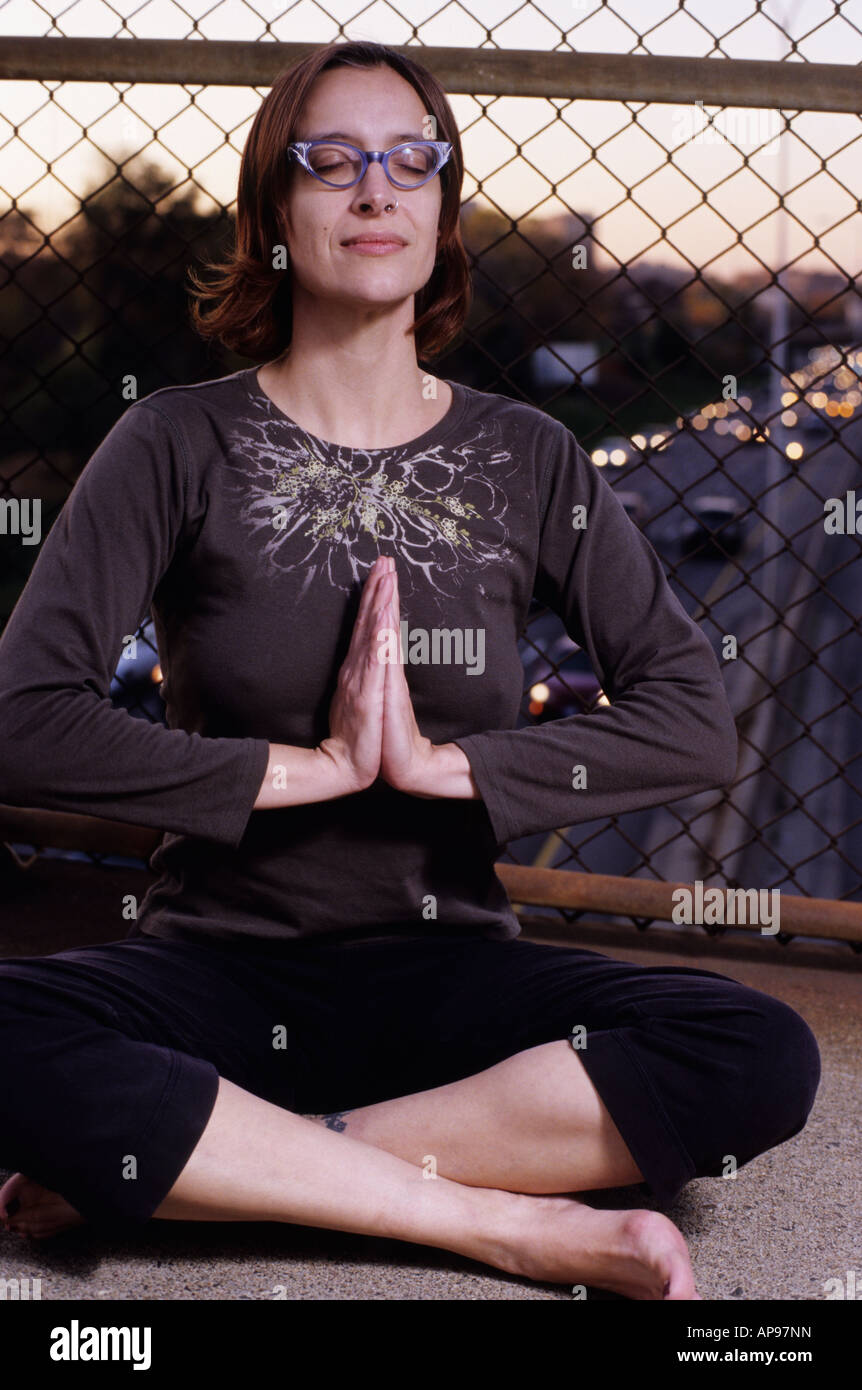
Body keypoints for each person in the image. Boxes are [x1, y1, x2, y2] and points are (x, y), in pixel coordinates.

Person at [0, 40, 820, 1300]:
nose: (375, 188)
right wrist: (298, 770)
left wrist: (446, 766)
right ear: (275, 210)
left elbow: (689, 717)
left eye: (409, 159)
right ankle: (502, 1223)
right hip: (211, 969)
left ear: (441, 211)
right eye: (332, 160)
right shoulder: (174, 438)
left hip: (454, 981)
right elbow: (26, 717)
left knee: (755, 1049)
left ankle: (238, 1167)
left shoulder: (531, 456)